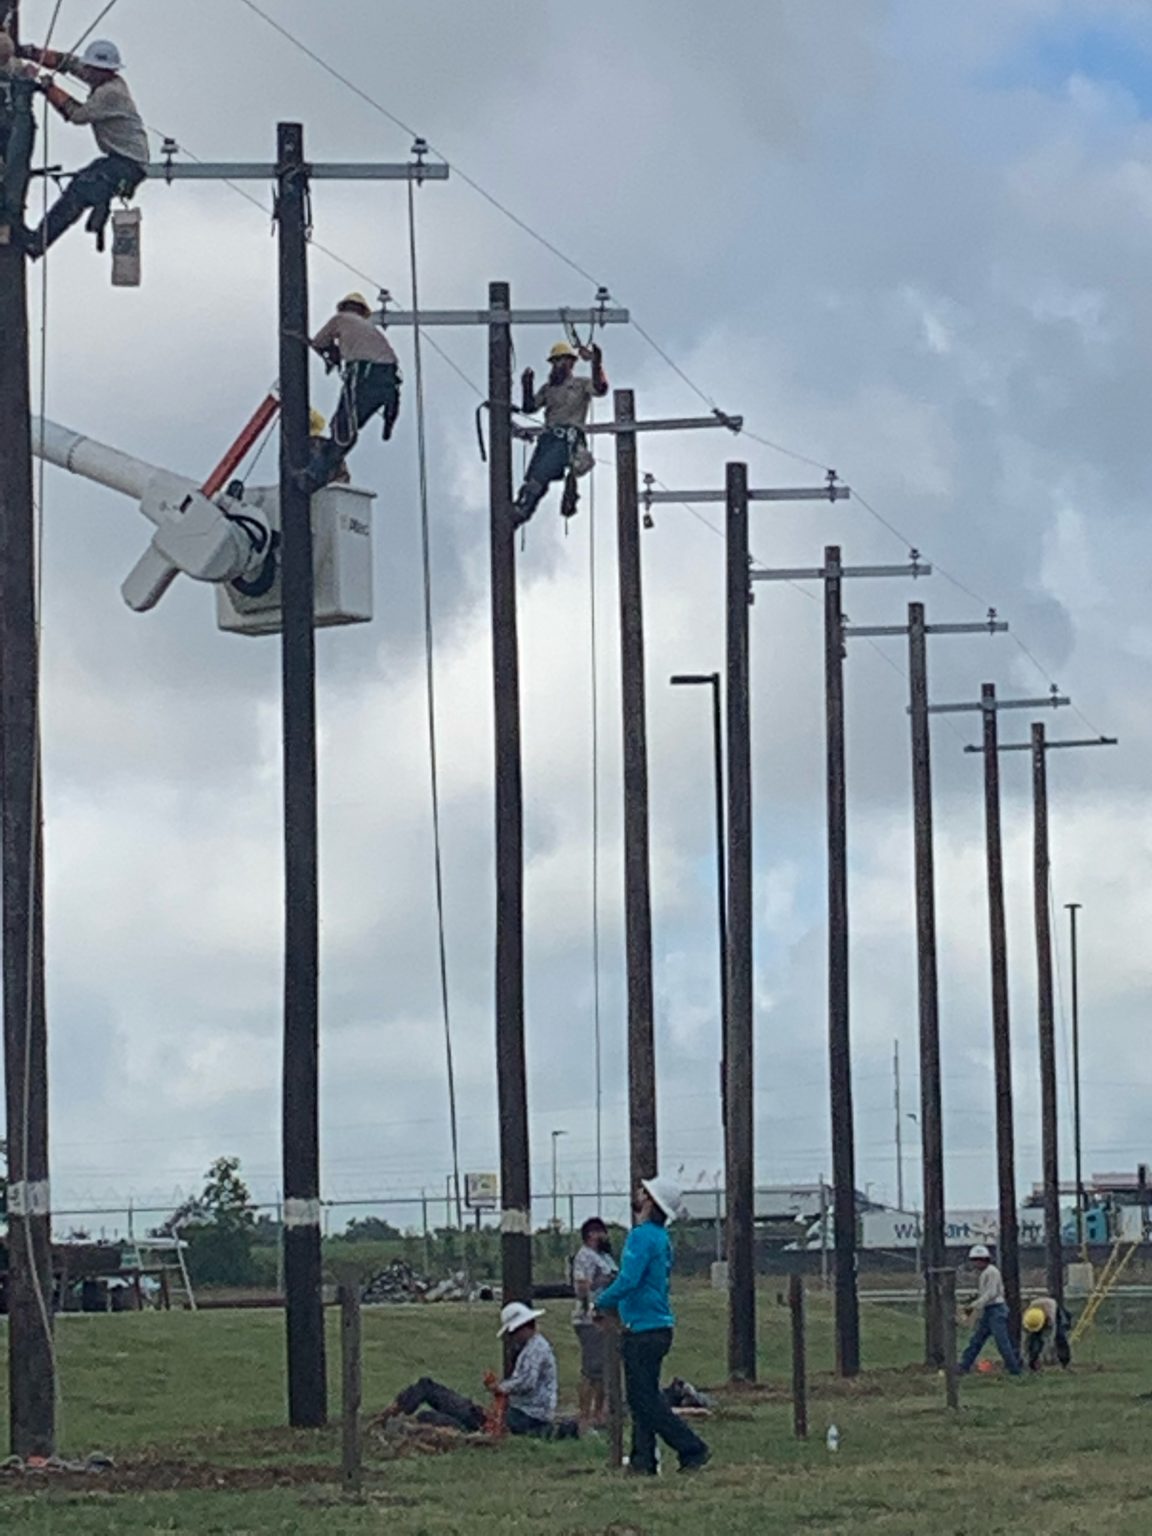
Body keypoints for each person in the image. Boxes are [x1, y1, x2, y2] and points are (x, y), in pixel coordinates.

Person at [595, 1176, 710, 1474]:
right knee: (644, 1397)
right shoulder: (660, 1238)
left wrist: (602, 1301)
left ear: (649, 1201)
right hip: (658, 1326)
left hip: (642, 1328)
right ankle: (642, 1459)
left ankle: (691, 1447)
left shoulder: (641, 1237)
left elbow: (629, 1279)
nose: (638, 1193)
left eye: (643, 1191)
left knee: (643, 1399)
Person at [16, 39, 148, 259]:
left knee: (79, 190)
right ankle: (42, 238)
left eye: (93, 70)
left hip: (127, 164)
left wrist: (48, 88)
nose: (88, 73)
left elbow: (78, 115)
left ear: (106, 72)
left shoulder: (111, 93)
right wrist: (29, 53)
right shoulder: (101, 78)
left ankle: (37, 242)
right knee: (83, 184)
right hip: (120, 161)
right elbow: (67, 62)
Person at [381, 1301, 577, 1440]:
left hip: (524, 1417)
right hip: (521, 1415)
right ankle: (408, 1415)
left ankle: (395, 1415)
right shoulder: (535, 1347)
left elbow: (527, 1382)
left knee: (448, 1404)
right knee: (461, 1413)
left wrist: (500, 1387)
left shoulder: (536, 1349)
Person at [299, 293, 401, 493]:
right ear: (363, 311)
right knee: (348, 432)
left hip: (364, 376)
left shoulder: (340, 319)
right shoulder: (369, 329)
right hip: (389, 384)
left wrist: (332, 350)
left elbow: (318, 342)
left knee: (341, 431)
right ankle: (323, 470)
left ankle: (315, 474)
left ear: (344, 307)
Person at [514, 338, 608, 526]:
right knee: (534, 477)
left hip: (567, 440)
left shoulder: (581, 384)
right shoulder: (548, 389)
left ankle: (523, 508)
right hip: (548, 439)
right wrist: (527, 385)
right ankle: (521, 510)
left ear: (571, 363)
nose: (557, 365)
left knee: (542, 472)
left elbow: (601, 388)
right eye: (555, 361)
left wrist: (596, 361)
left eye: (561, 360)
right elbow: (529, 408)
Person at [572, 1216, 618, 1429]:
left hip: (606, 1317)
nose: (605, 1236)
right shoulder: (584, 1256)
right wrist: (600, 1282)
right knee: (591, 1370)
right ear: (591, 1234)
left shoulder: (604, 1257)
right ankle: (584, 1415)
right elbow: (582, 1286)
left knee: (602, 1370)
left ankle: (599, 1414)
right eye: (601, 1232)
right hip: (589, 1318)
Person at [958, 1243, 1023, 1376]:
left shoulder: (991, 1272)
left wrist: (975, 1305)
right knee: (977, 1340)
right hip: (990, 1310)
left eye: (976, 1260)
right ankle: (964, 1365)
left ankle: (1015, 1370)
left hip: (996, 1310)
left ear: (982, 1260)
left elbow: (991, 1293)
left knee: (1002, 1343)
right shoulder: (985, 1273)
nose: (974, 1264)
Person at [1022, 1296, 1071, 1372]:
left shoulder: (1051, 1316)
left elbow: (1050, 1337)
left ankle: (1064, 1361)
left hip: (1053, 1307)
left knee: (1060, 1336)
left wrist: (1045, 1356)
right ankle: (1032, 1361)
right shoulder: (1028, 1318)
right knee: (1034, 1339)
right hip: (1037, 1312)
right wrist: (1025, 1355)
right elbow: (1026, 1340)